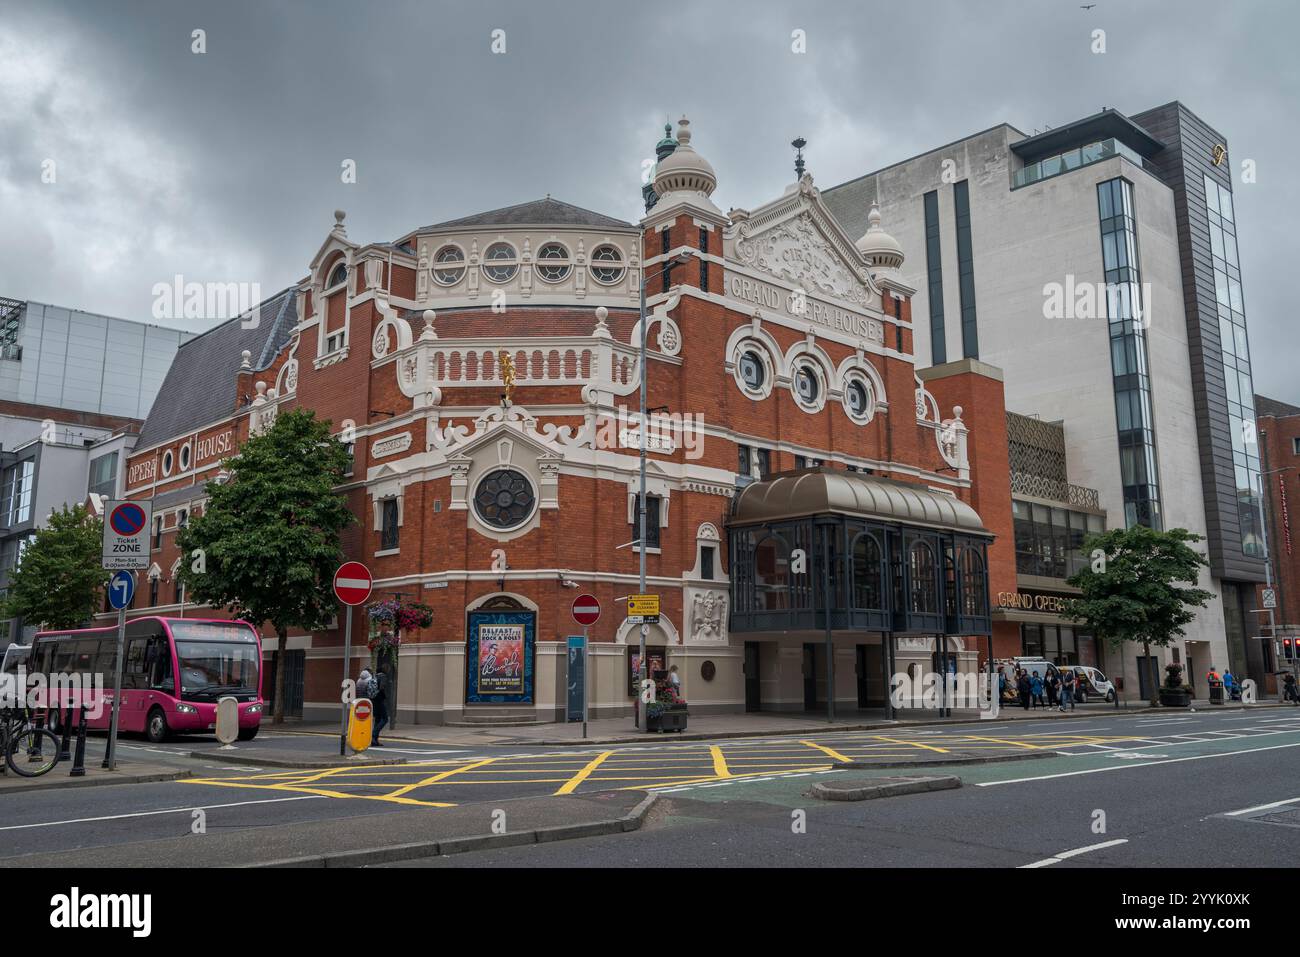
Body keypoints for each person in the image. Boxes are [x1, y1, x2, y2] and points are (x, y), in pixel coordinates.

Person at [371, 667, 390, 746]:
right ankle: (373, 734)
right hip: (379, 699)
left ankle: (374, 740)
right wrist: (384, 695)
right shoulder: (383, 676)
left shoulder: (375, 676)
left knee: (378, 719)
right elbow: (382, 687)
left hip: (373, 699)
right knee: (385, 719)